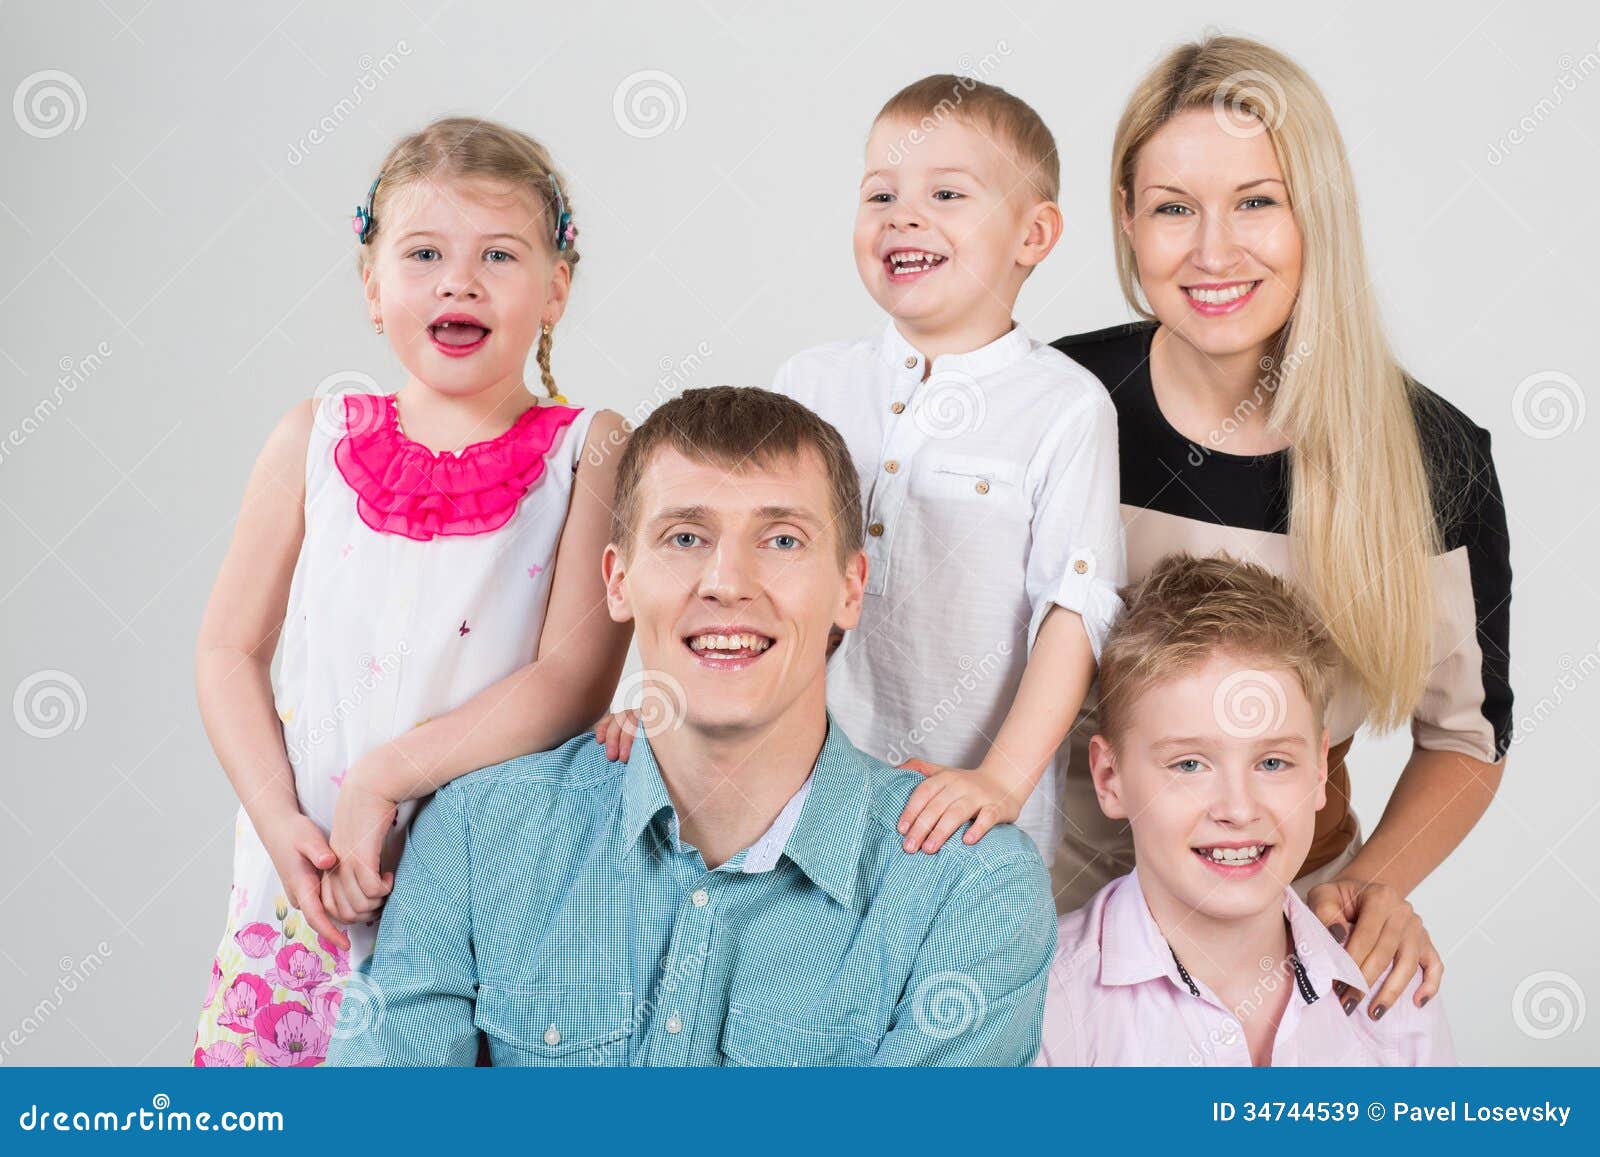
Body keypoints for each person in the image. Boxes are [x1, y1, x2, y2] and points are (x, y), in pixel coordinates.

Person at [325, 386, 1056, 1067]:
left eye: (782, 540)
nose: (727, 581)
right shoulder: (475, 835)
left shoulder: (969, 889)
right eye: (684, 538)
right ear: (617, 580)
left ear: (850, 588)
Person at [1050, 35, 1512, 1019]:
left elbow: (1467, 734)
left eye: (1256, 201)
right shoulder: (1052, 401)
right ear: (1127, 222)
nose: (1213, 250)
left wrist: (1376, 880)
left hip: (1273, 948)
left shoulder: (1433, 457)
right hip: (1037, 934)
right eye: (1173, 208)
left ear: (1317, 213)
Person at [191, 117, 631, 1067]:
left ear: (557, 287)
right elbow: (227, 650)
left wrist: (389, 776)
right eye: (424, 252)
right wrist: (283, 827)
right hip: (304, 878)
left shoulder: (587, 452)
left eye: (499, 256)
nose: (457, 281)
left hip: (488, 890)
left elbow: (572, 680)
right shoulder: (310, 438)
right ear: (371, 286)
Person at [598, 75, 1124, 868]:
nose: (903, 216)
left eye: (947, 193)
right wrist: (672, 709)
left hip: (955, 812)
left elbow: (1073, 610)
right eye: (880, 194)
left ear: (1034, 234)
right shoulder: (813, 382)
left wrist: (1000, 778)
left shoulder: (1064, 407)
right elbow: (716, 559)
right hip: (793, 787)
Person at [1036, 554, 1455, 1066]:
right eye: (1189, 765)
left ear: (1320, 771)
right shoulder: (1043, 1007)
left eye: (1273, 761)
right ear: (1110, 778)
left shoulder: (1392, 989)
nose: (1237, 808)